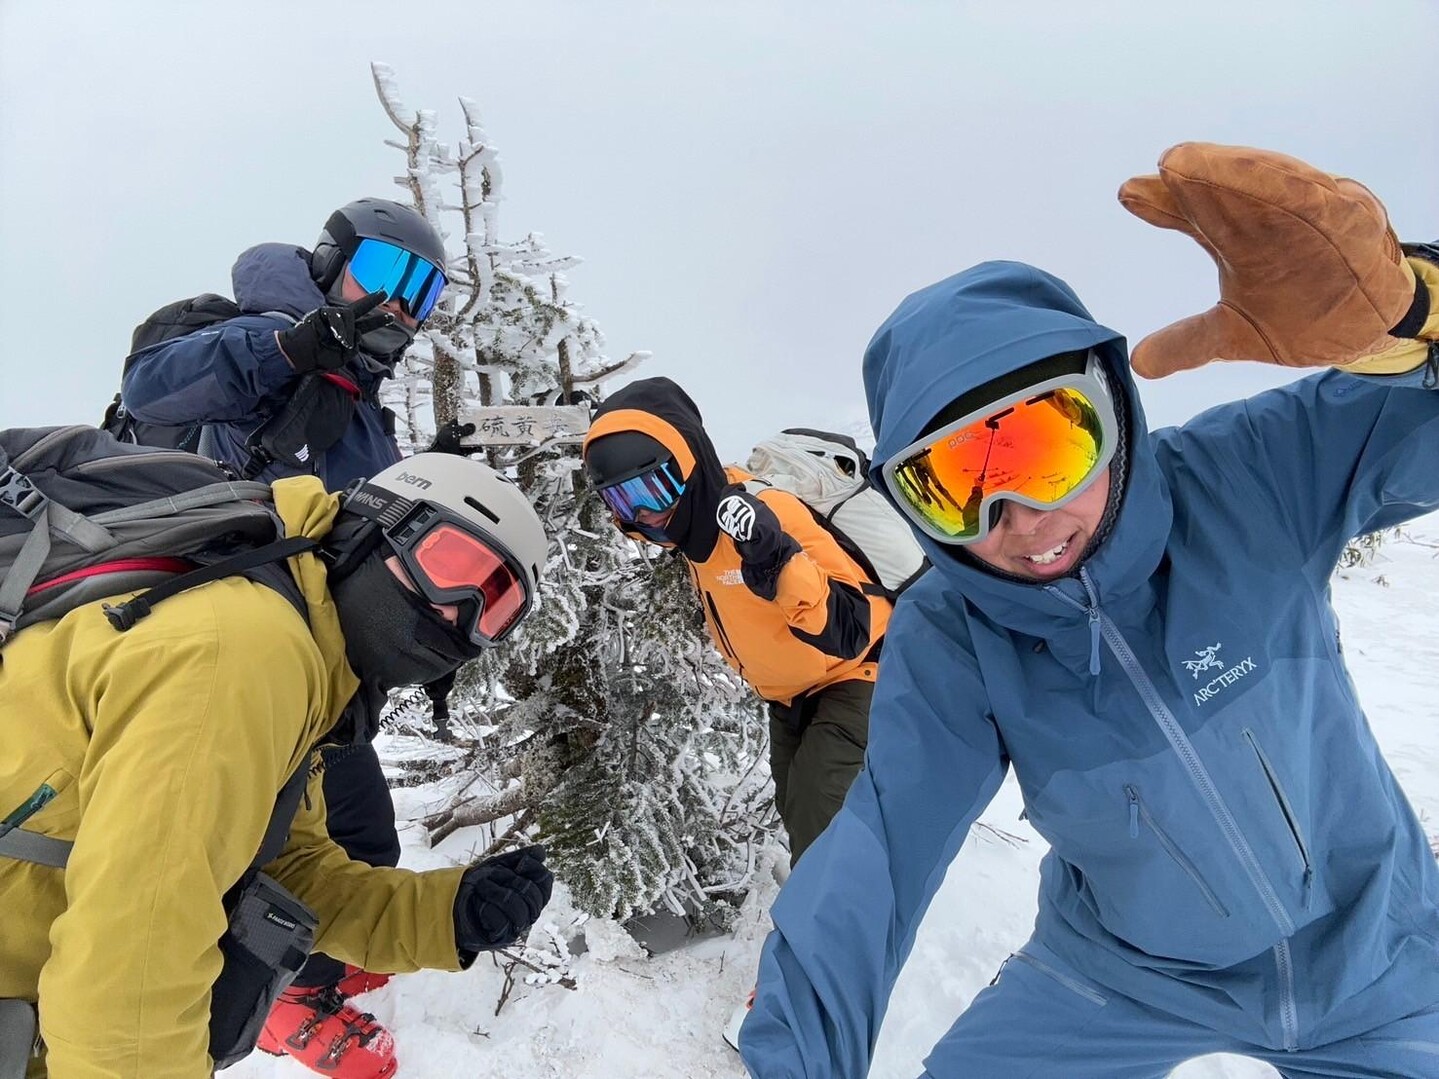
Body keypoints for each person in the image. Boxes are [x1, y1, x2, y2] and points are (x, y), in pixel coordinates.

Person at [739, 142, 1439, 1078]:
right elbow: (877, 854)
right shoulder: (957, 632)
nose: (1019, 523)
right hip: (1122, 978)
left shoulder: (1247, 479)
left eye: (1041, 449)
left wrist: (1414, 311)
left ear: (1110, 405)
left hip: (1380, 949)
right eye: (956, 486)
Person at [0, 451, 554, 1079]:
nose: (457, 612)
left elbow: (290, 868)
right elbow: (135, 959)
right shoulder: (244, 653)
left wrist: (445, 915)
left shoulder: (304, 655)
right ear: (371, 528)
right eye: (449, 565)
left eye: (495, 606)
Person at [117, 197, 464, 1072]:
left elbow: (360, 538)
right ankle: (276, 1005)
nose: (397, 306)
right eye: (383, 275)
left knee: (362, 841)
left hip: (314, 667)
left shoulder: (360, 405)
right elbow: (152, 389)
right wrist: (286, 347)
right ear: (326, 261)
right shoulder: (243, 336)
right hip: (211, 649)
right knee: (241, 843)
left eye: (421, 294)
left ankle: (314, 965)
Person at [581, 378, 893, 865]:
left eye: (655, 489)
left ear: (691, 469)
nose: (644, 514)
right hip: (789, 697)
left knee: (824, 845)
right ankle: (830, 929)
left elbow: (856, 626)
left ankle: (837, 936)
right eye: (623, 502)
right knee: (802, 824)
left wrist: (778, 563)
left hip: (856, 679)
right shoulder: (690, 533)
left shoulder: (769, 514)